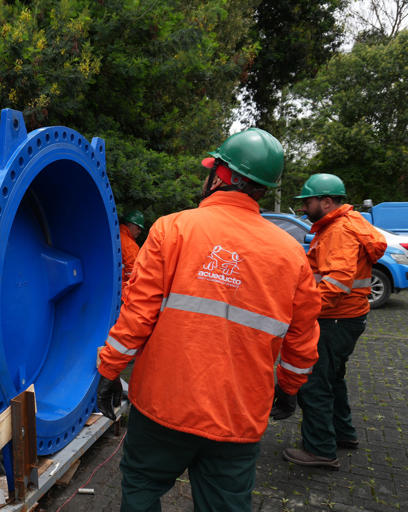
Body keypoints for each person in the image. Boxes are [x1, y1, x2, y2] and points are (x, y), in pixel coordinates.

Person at [96, 128, 321, 512]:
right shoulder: (291, 255)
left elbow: (137, 315)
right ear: (262, 188)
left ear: (221, 175)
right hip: (238, 415)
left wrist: (109, 371)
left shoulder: (172, 229)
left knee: (141, 489)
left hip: (164, 406)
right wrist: (289, 388)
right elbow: (302, 341)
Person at [281, 173, 386, 469]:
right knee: (333, 379)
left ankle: (320, 449)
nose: (303, 208)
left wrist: (303, 312)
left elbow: (337, 283)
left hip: (333, 320)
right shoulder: (344, 225)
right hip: (347, 319)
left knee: (314, 384)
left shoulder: (338, 230)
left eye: (308, 201)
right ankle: (344, 434)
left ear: (326, 202)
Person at [120, 210, 145, 292]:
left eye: (141, 229)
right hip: (121, 289)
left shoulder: (114, 235)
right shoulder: (130, 245)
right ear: (129, 224)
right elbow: (132, 273)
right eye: (138, 228)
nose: (139, 232)